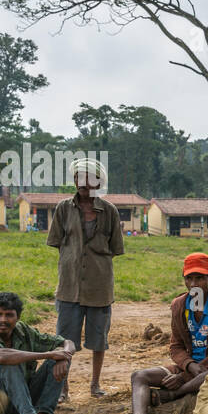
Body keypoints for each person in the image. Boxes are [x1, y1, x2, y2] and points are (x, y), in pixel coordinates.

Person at [100, 252, 208, 414]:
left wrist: (193, 371)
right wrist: (188, 366)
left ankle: (174, 394)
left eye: (200, 278)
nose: (194, 284)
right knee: (139, 376)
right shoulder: (179, 305)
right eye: (189, 278)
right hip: (189, 368)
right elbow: (176, 346)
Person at [47, 158, 124, 401]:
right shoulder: (63, 209)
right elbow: (58, 242)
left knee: (98, 338)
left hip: (100, 286)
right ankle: (63, 388)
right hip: (69, 287)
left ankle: (95, 384)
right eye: (79, 178)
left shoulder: (109, 211)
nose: (83, 183)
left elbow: (114, 247)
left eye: (89, 178)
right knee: (64, 339)